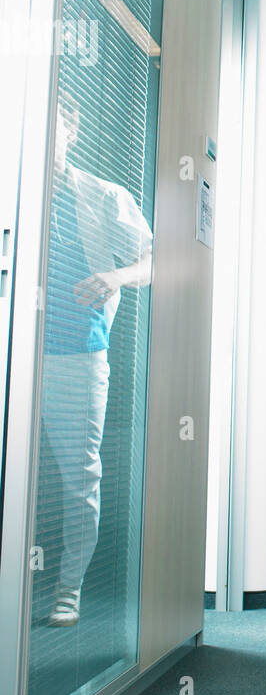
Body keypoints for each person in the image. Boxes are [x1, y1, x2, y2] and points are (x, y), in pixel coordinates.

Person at [43, 95, 153, 626]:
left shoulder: (104, 196)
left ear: (72, 128)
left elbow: (153, 260)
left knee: (77, 474)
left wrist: (114, 278)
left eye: (54, 122)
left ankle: (68, 586)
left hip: (77, 355)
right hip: (19, 355)